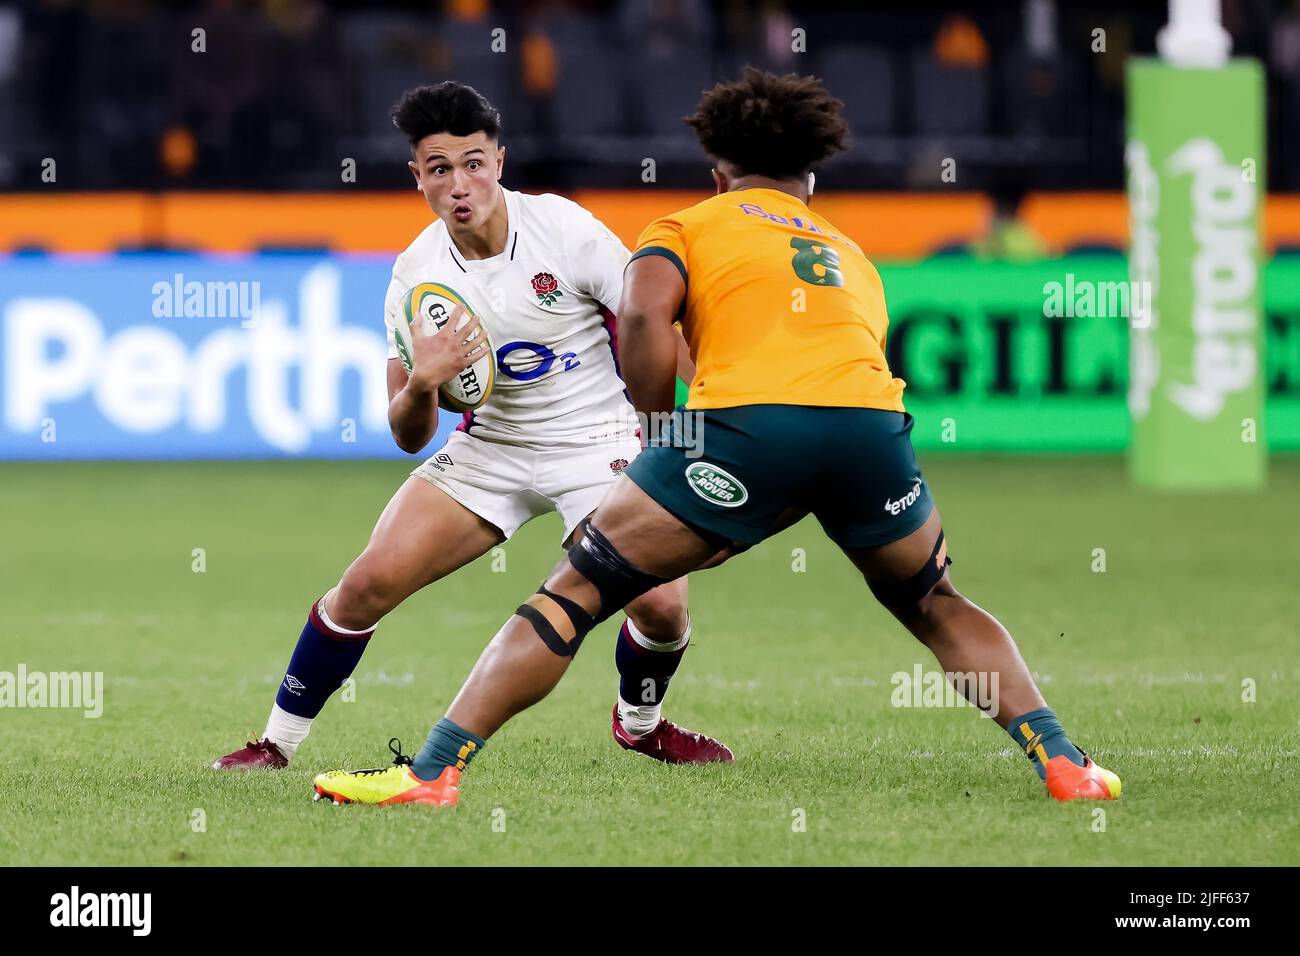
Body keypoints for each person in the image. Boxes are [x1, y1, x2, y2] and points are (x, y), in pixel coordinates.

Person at [312, 69, 1119, 806]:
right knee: (936, 603)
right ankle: (1064, 762)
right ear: (810, 179)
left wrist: (664, 437)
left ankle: (433, 772)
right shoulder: (848, 254)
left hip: (748, 427)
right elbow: (860, 354)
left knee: (576, 590)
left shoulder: (688, 224)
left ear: (718, 172)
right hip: (871, 429)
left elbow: (640, 314)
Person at [212, 81, 731, 776]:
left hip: (598, 443)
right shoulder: (415, 278)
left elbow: (657, 324)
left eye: (474, 164)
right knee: (365, 584)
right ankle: (274, 744)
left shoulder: (565, 231)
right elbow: (406, 432)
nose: (460, 185)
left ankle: (640, 724)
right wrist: (423, 380)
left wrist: (689, 432)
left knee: (663, 608)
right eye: (439, 169)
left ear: (500, 161)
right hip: (491, 450)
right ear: (417, 178)